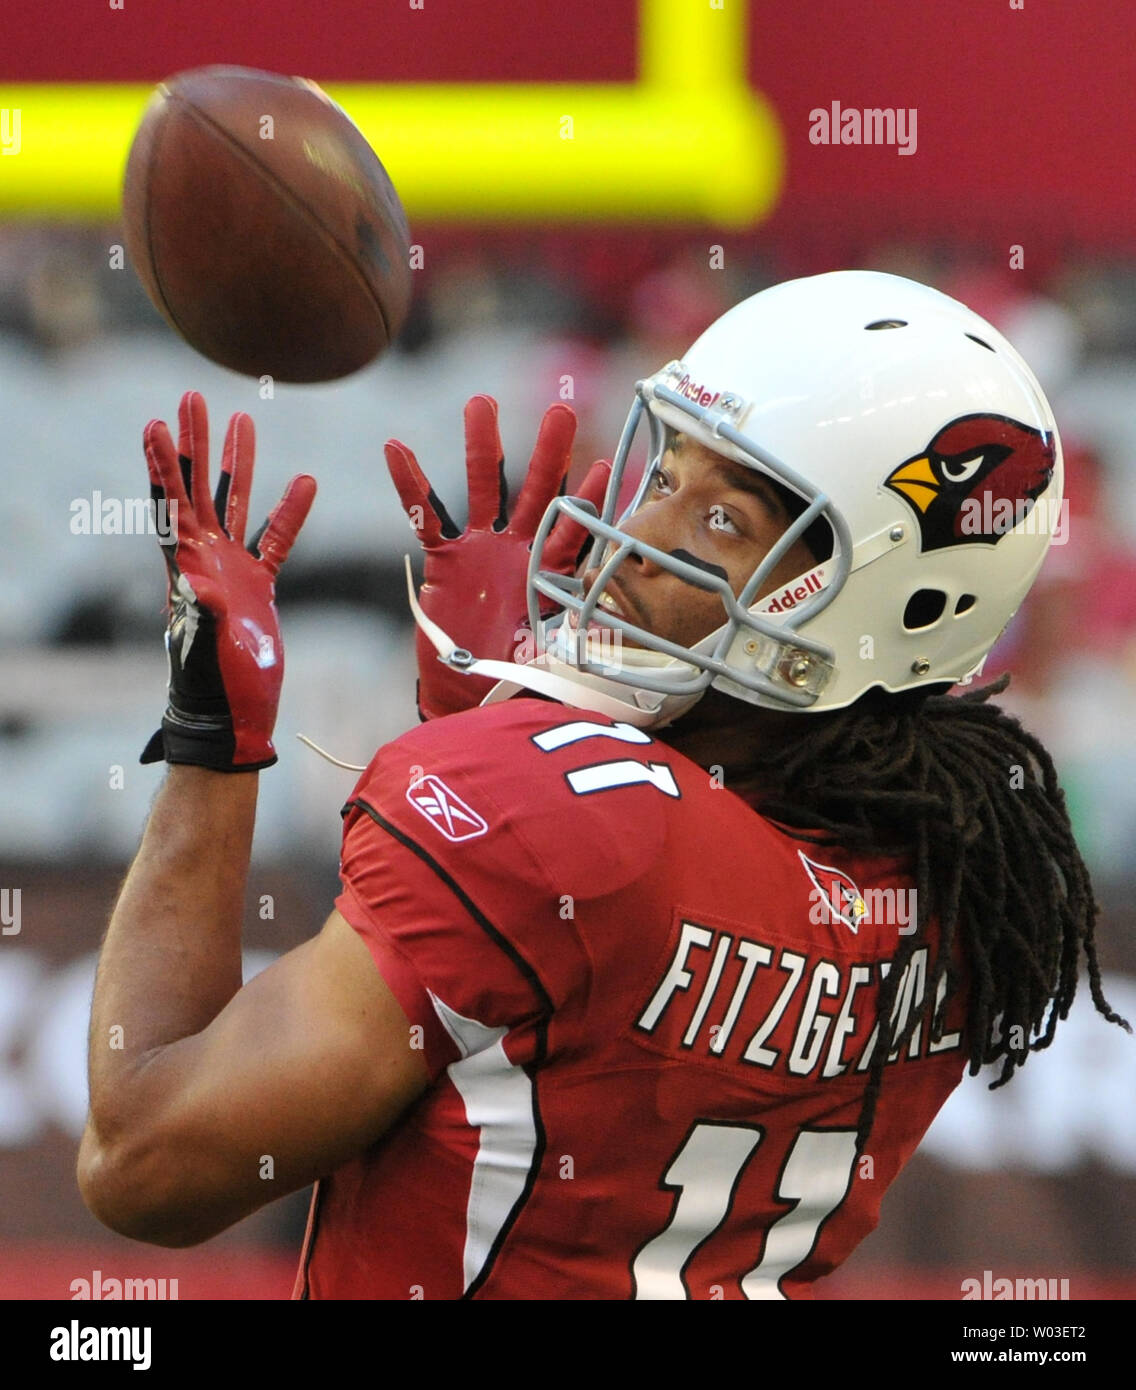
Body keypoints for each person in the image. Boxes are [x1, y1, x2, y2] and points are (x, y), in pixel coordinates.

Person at [77, 270, 1126, 1300]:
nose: (639, 540)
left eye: (724, 522)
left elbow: (144, 1162)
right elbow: (590, 1024)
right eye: (665, 474)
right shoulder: (957, 881)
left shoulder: (548, 813)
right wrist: (494, 727)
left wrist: (210, 741)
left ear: (878, 601)